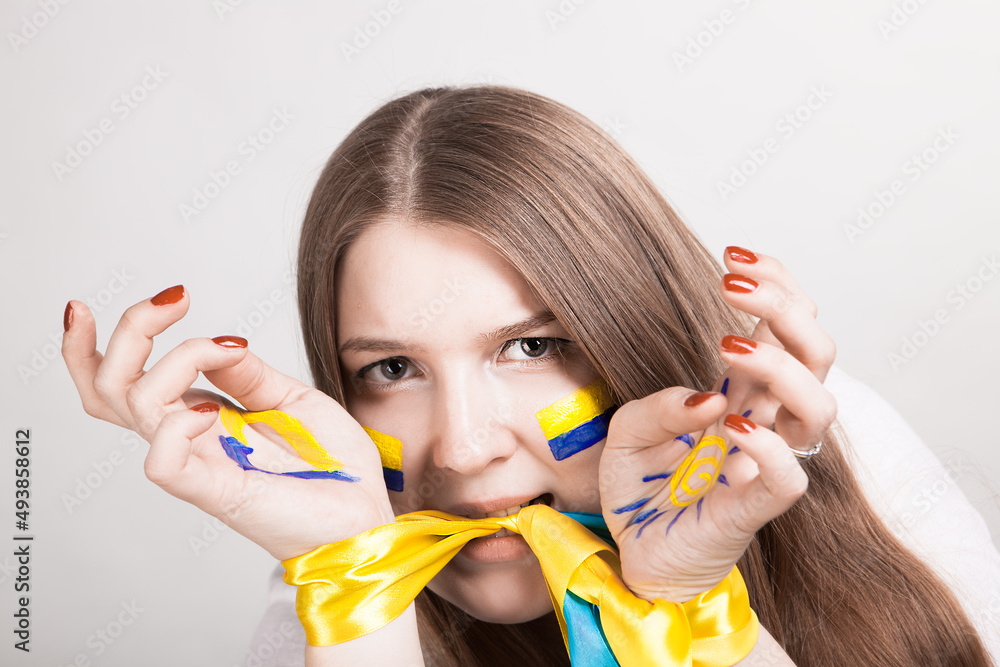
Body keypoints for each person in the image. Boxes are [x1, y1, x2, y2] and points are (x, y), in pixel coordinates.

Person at [61, 85, 996, 666]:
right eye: (391, 367)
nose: (465, 451)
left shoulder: (837, 445)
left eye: (532, 347)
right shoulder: (335, 608)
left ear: (639, 334)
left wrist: (686, 611)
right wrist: (356, 596)